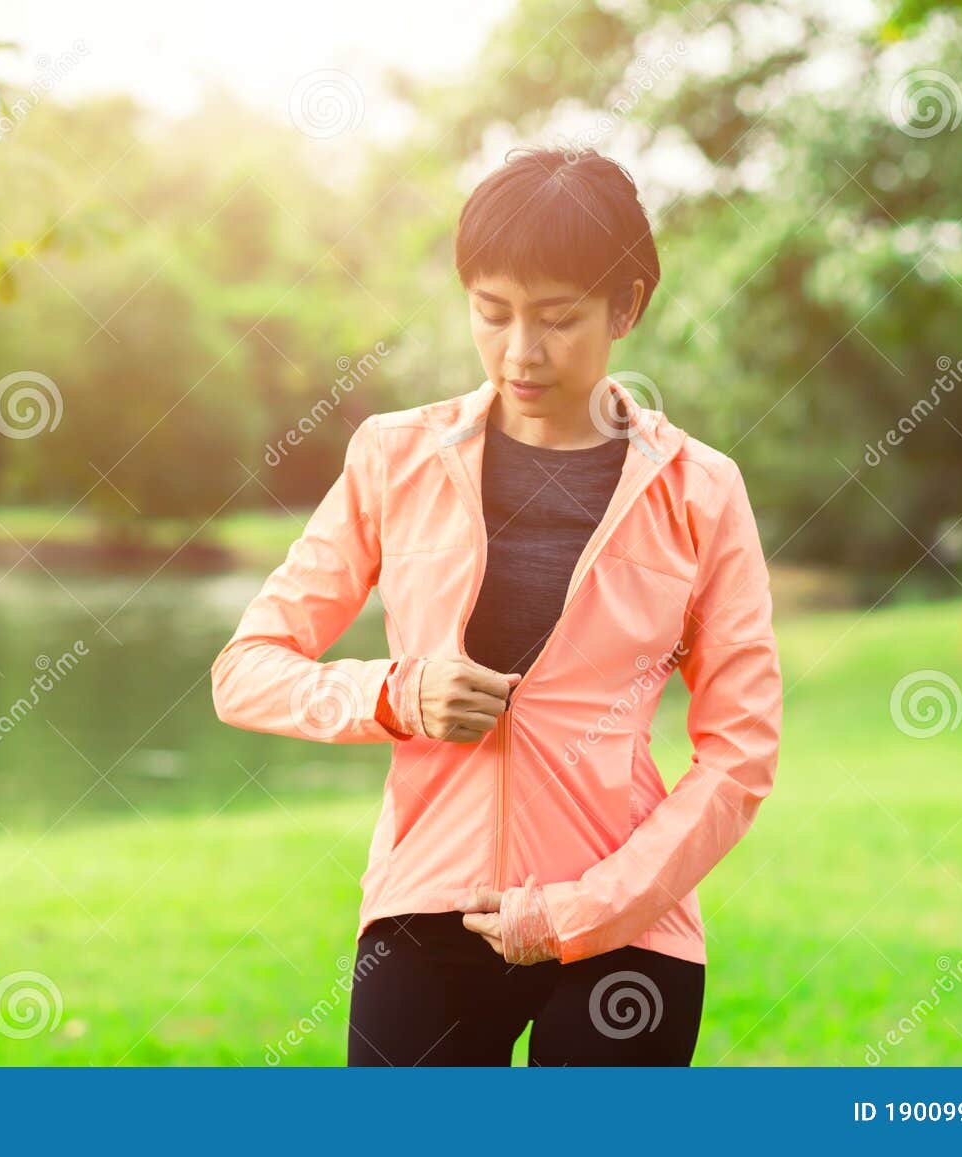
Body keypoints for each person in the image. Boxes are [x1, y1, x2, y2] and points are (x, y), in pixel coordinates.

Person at [211, 146, 782, 1066]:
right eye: (493, 313)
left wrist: (579, 910)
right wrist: (397, 694)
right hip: (428, 909)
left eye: (559, 319)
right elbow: (246, 672)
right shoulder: (393, 457)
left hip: (622, 927)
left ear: (626, 306)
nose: (522, 350)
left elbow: (741, 753)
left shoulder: (700, 491)